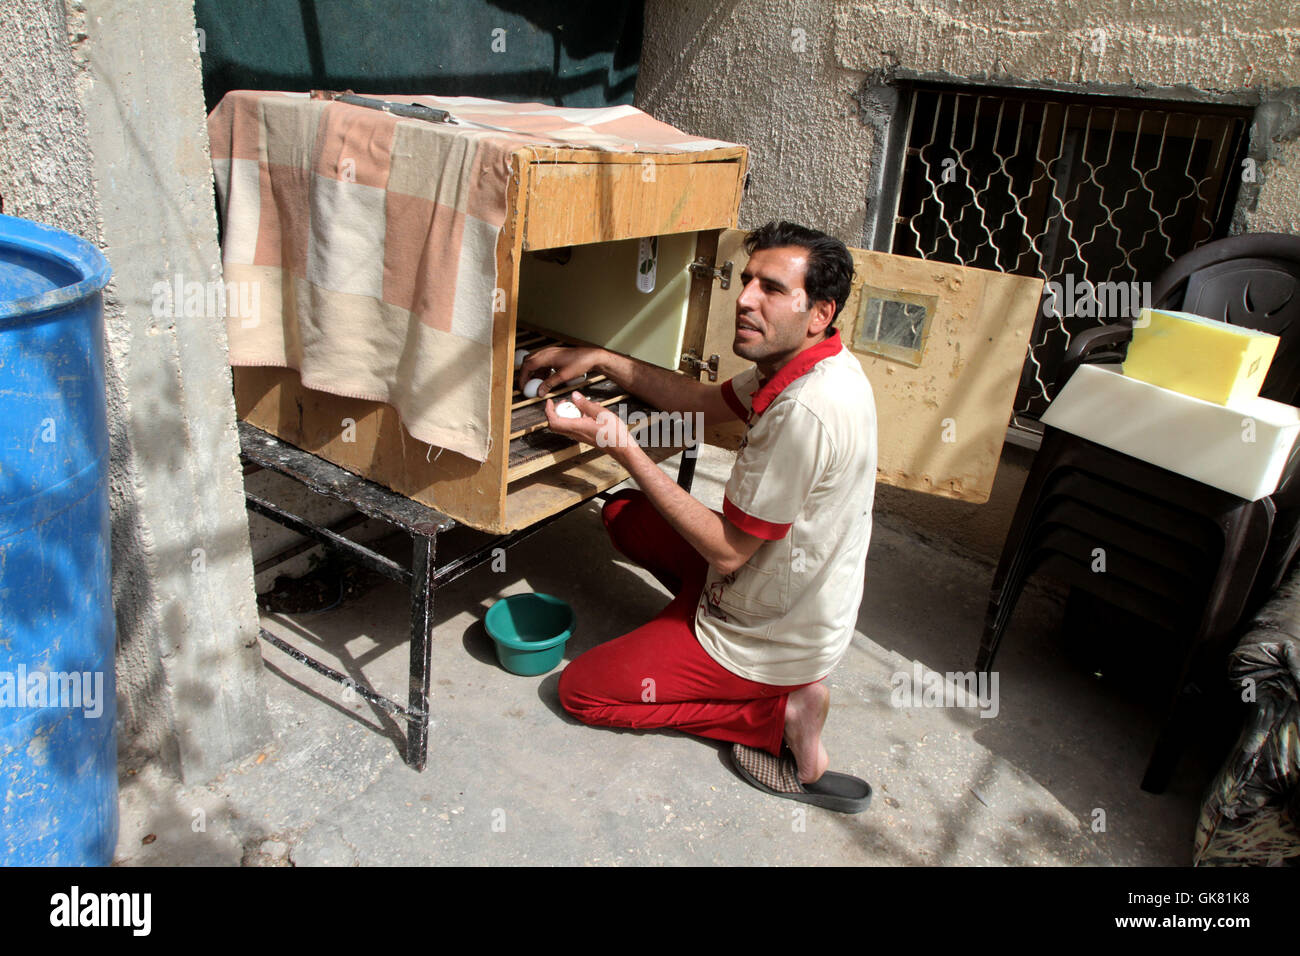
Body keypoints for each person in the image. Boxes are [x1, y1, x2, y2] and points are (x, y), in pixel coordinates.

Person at [519, 221, 877, 812]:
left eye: (771, 289)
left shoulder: (806, 412)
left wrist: (623, 446)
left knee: (581, 691)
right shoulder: (810, 362)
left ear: (819, 312)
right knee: (626, 515)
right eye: (746, 281)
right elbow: (703, 404)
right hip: (777, 587)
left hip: (763, 631)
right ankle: (687, 631)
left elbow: (729, 553)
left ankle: (772, 712)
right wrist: (604, 358)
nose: (745, 299)